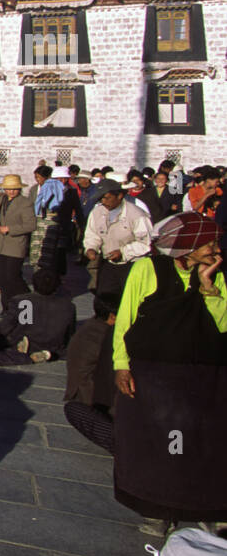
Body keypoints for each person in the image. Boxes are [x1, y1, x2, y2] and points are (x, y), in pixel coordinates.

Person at [110, 212, 226, 528]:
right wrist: (121, 365)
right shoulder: (146, 269)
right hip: (154, 377)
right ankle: (156, 508)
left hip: (202, 377)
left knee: (203, 446)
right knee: (156, 446)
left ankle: (203, 510)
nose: (215, 249)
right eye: (208, 243)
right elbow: (125, 319)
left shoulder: (218, 274)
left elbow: (223, 325)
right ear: (187, 247)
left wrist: (207, 289)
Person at [0, 269, 77, 367]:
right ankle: (48, 354)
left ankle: (26, 355)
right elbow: (70, 334)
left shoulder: (22, 301)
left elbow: (6, 326)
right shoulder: (68, 306)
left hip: (26, 341)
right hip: (54, 346)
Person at [83, 178, 154, 302]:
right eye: (101, 199)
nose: (103, 202)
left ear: (120, 196)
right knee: (105, 298)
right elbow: (92, 234)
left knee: (129, 300)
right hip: (108, 263)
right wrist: (91, 248)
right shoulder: (97, 212)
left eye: (107, 198)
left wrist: (123, 252)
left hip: (132, 265)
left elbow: (145, 243)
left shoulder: (137, 215)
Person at [64, 295, 118, 453]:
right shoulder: (104, 335)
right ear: (113, 316)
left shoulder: (93, 326)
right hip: (91, 397)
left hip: (86, 392)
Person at [0, 174, 35, 311]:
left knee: (14, 277)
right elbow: (0, 217)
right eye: (8, 189)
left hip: (16, 245)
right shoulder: (0, 200)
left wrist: (10, 229)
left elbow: (30, 225)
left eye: (15, 189)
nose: (11, 191)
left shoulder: (25, 202)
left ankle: (29, 302)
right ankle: (7, 308)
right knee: (3, 279)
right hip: (2, 245)